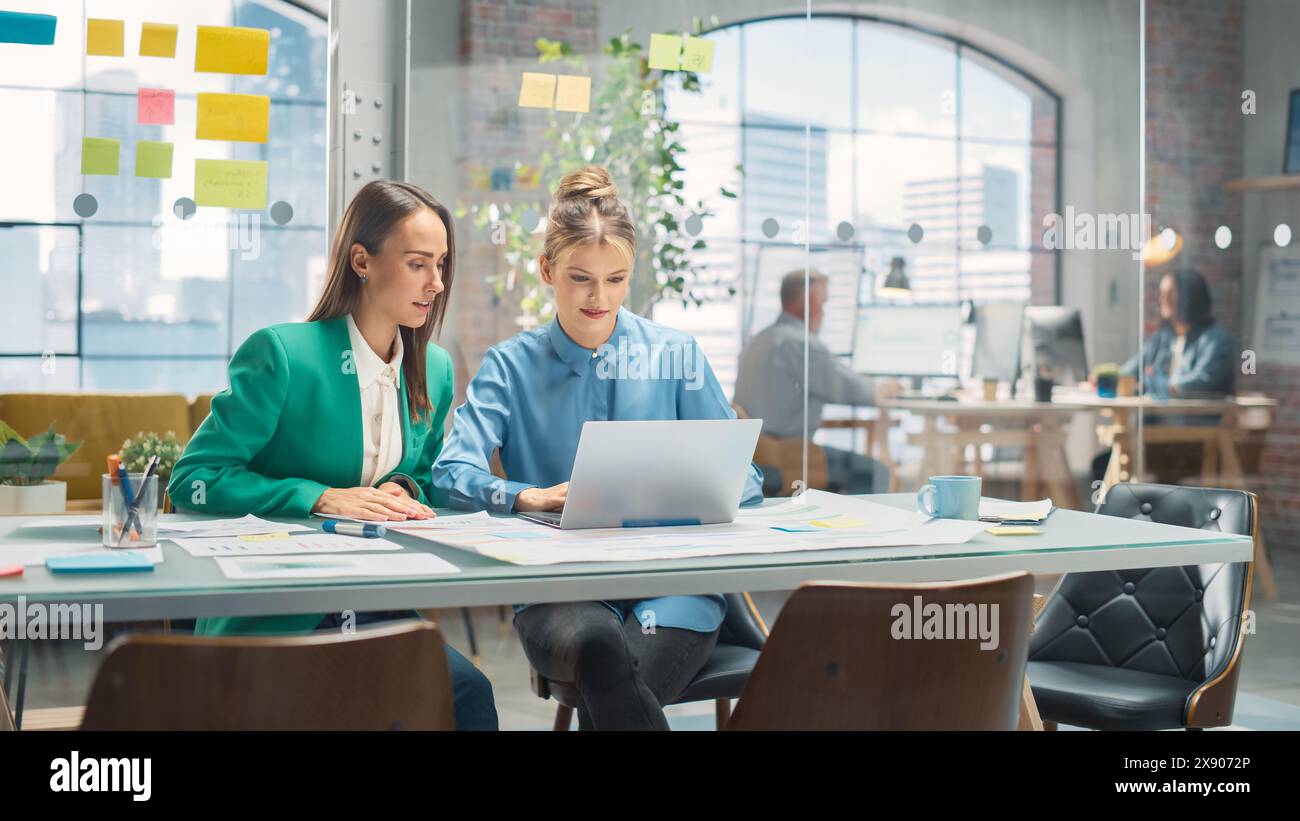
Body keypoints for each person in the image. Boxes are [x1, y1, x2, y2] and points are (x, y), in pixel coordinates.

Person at [432, 165, 763, 730]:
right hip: (561, 593)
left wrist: (675, 488)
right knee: (602, 654)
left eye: (616, 279)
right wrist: (527, 496)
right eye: (580, 277)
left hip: (672, 591)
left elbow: (747, 482)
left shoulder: (675, 355)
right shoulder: (510, 367)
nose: (598, 297)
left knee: (613, 683)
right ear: (547, 270)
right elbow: (450, 473)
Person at [168, 180, 497, 730]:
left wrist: (405, 489)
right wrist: (319, 497)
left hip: (375, 602)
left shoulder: (434, 368)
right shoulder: (283, 354)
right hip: (278, 607)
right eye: (418, 264)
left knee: (465, 696)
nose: (437, 283)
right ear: (361, 260)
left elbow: (423, 472)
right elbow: (194, 478)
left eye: (441, 264)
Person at [733, 269, 894, 495]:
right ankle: (858, 528)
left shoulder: (759, 339)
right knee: (875, 472)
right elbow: (849, 389)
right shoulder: (799, 343)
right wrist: (885, 389)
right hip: (788, 454)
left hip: (755, 452)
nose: (824, 313)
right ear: (807, 302)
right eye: (823, 303)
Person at [1091, 268, 1237, 483]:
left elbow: (1203, 380)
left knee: (1112, 467)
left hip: (1194, 438)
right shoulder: (1163, 337)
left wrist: (1165, 386)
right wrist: (1107, 378)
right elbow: (1132, 370)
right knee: (1101, 465)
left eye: (1170, 293)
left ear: (1190, 297)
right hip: (1156, 435)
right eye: (1161, 293)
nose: (1162, 299)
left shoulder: (1216, 339)